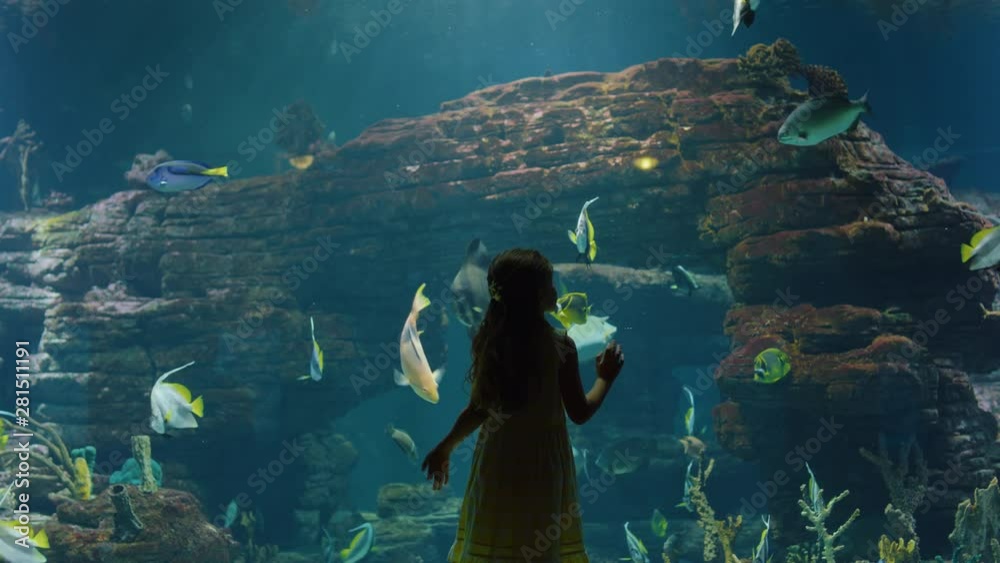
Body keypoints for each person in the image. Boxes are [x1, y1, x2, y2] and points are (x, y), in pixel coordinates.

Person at [422, 248, 625, 562]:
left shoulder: (492, 343)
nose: (556, 291)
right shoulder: (560, 345)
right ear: (535, 295)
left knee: (496, 540)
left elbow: (478, 409)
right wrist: (605, 378)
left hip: (497, 460)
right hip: (544, 466)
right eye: (549, 284)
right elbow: (579, 412)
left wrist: (445, 448)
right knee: (540, 541)